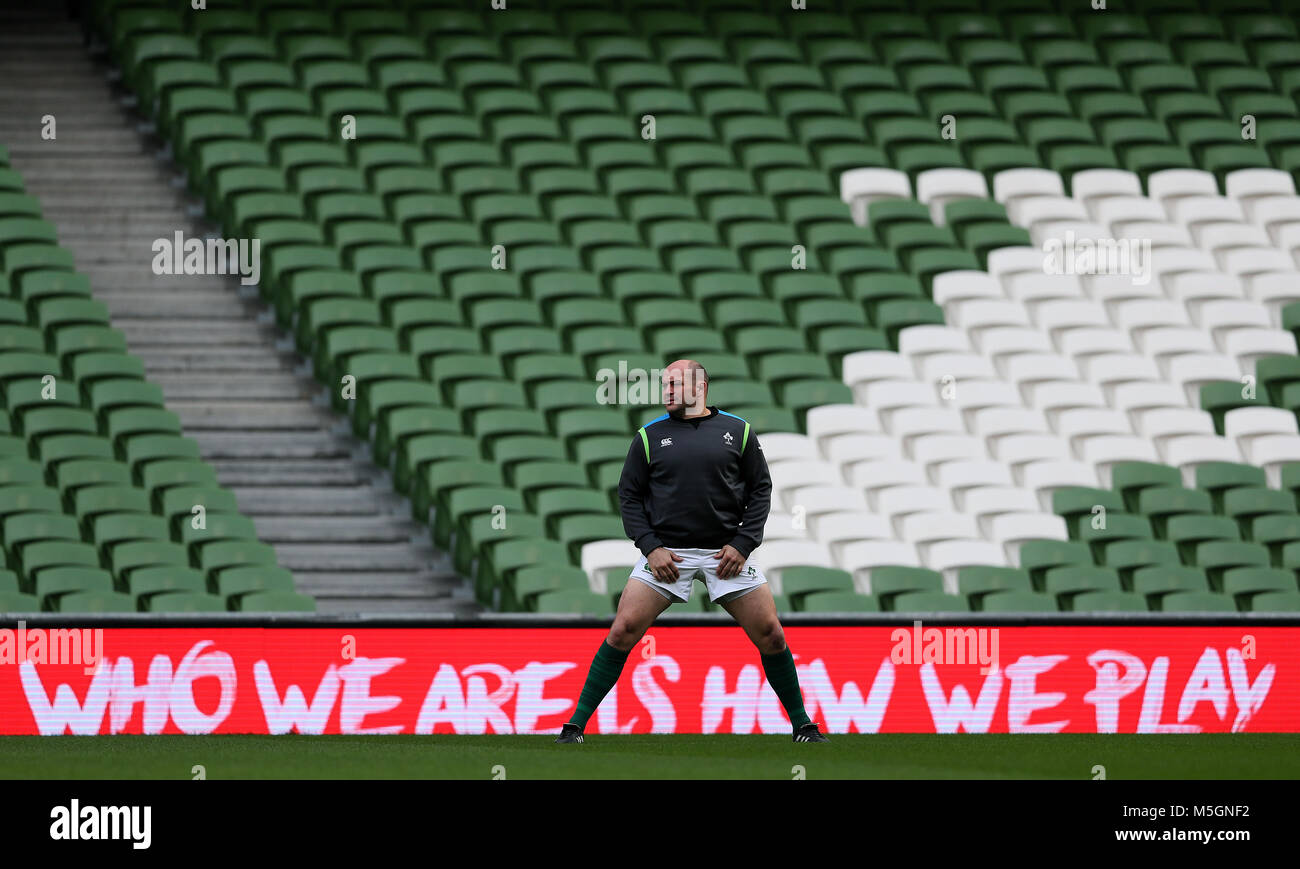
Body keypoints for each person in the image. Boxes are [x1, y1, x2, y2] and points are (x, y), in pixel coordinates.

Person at [555, 359, 828, 743]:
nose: (665, 390)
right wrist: (651, 548)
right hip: (668, 556)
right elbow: (629, 497)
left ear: (700, 387)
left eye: (674, 383)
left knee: (771, 634)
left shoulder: (738, 431)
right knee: (622, 631)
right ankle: (574, 726)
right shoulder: (648, 437)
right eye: (664, 383)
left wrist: (742, 544)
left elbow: (760, 490)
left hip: (725, 556)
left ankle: (803, 726)